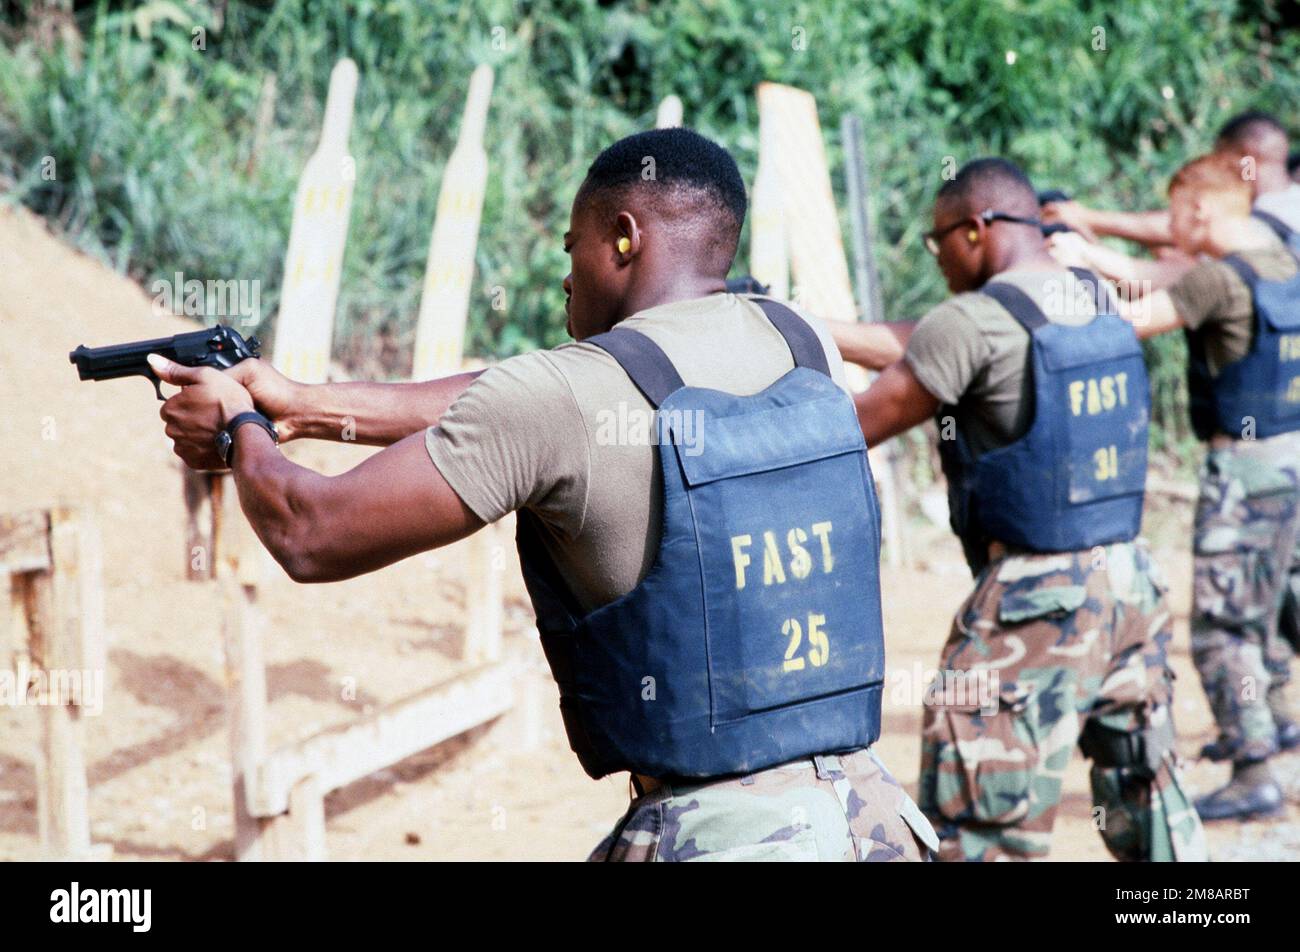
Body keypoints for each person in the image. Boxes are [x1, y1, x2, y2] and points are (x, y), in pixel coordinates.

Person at [149, 127, 938, 862]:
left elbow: (310, 531)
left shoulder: (565, 401)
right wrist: (307, 405)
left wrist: (240, 424)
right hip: (869, 818)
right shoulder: (802, 340)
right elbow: (530, 403)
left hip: (725, 838)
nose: (566, 273)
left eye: (575, 246)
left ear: (624, 238)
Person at [827, 157, 1207, 861]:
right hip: (1130, 582)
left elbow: (853, 425)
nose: (937, 259)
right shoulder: (1091, 295)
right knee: (1149, 800)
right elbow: (934, 339)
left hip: (1036, 605)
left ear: (974, 230)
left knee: (983, 829)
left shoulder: (972, 320)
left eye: (937, 242)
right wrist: (811, 325)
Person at [1055, 152, 1300, 821]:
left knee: (1225, 629)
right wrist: (1091, 248)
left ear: (1199, 209)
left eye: (1175, 212)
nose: (1168, 226)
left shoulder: (1220, 279)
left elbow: (1129, 320)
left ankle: (1255, 769)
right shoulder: (1283, 257)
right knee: (1276, 608)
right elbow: (1159, 273)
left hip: (1246, 476)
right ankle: (1280, 723)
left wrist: (1068, 273)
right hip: (1293, 463)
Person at [1043, 112, 1300, 285]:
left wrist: (1086, 224)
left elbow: (1168, 283)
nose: (1216, 169)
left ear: (1246, 159)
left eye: (1219, 158)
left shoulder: (1252, 229)